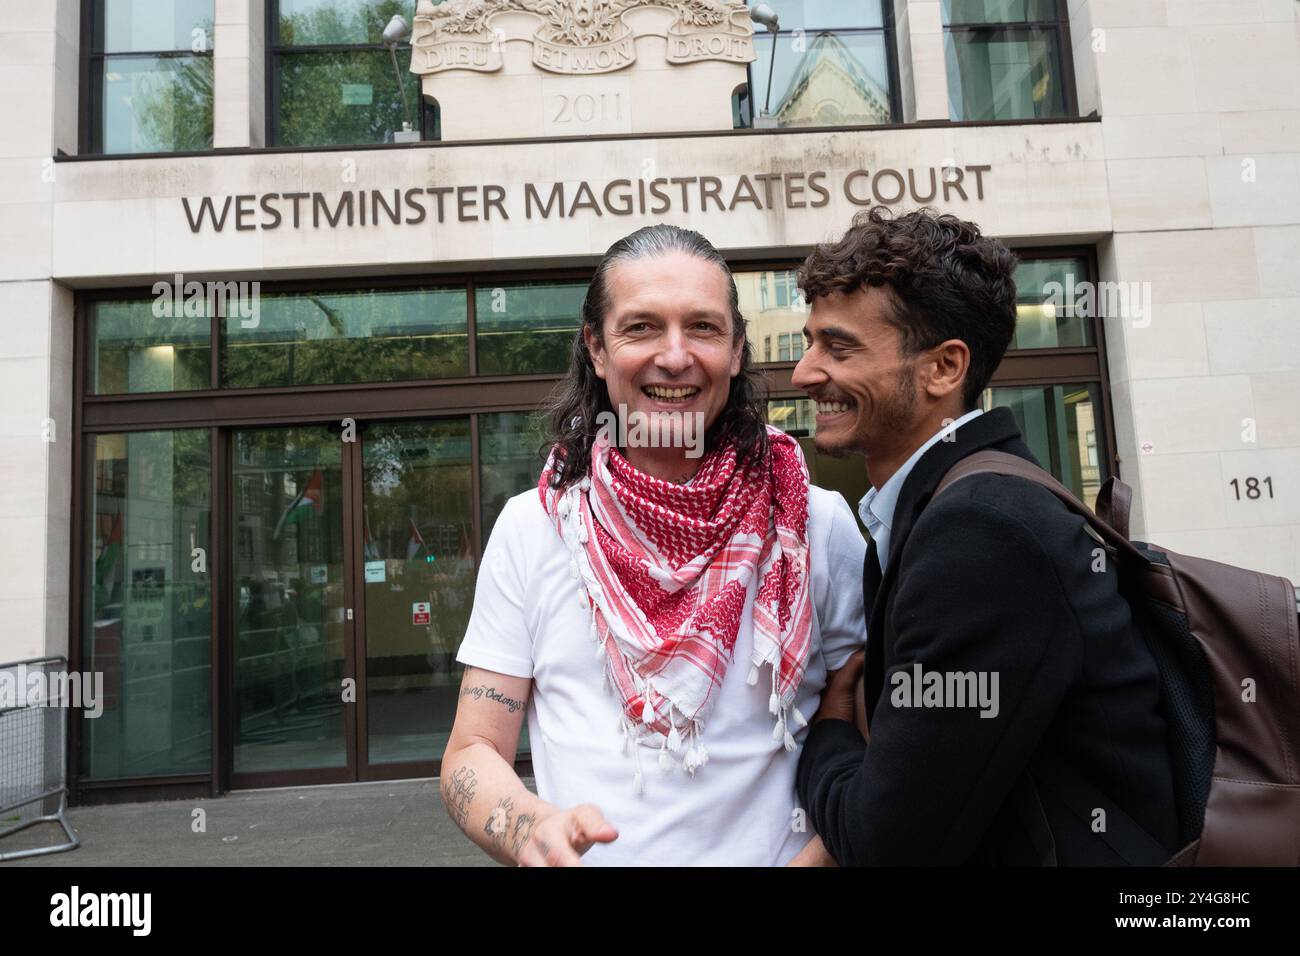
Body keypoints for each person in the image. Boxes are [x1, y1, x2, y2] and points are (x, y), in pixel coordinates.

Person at [441, 224, 866, 866]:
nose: (674, 356)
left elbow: (873, 747)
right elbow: (473, 752)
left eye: (702, 327)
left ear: (737, 349)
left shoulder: (815, 524)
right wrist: (526, 826)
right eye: (641, 328)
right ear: (596, 348)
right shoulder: (535, 528)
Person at [792, 207, 1179, 865]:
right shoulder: (952, 505)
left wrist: (828, 723)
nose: (803, 373)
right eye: (809, 342)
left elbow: (887, 845)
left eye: (839, 347)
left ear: (944, 368)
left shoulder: (981, 531)